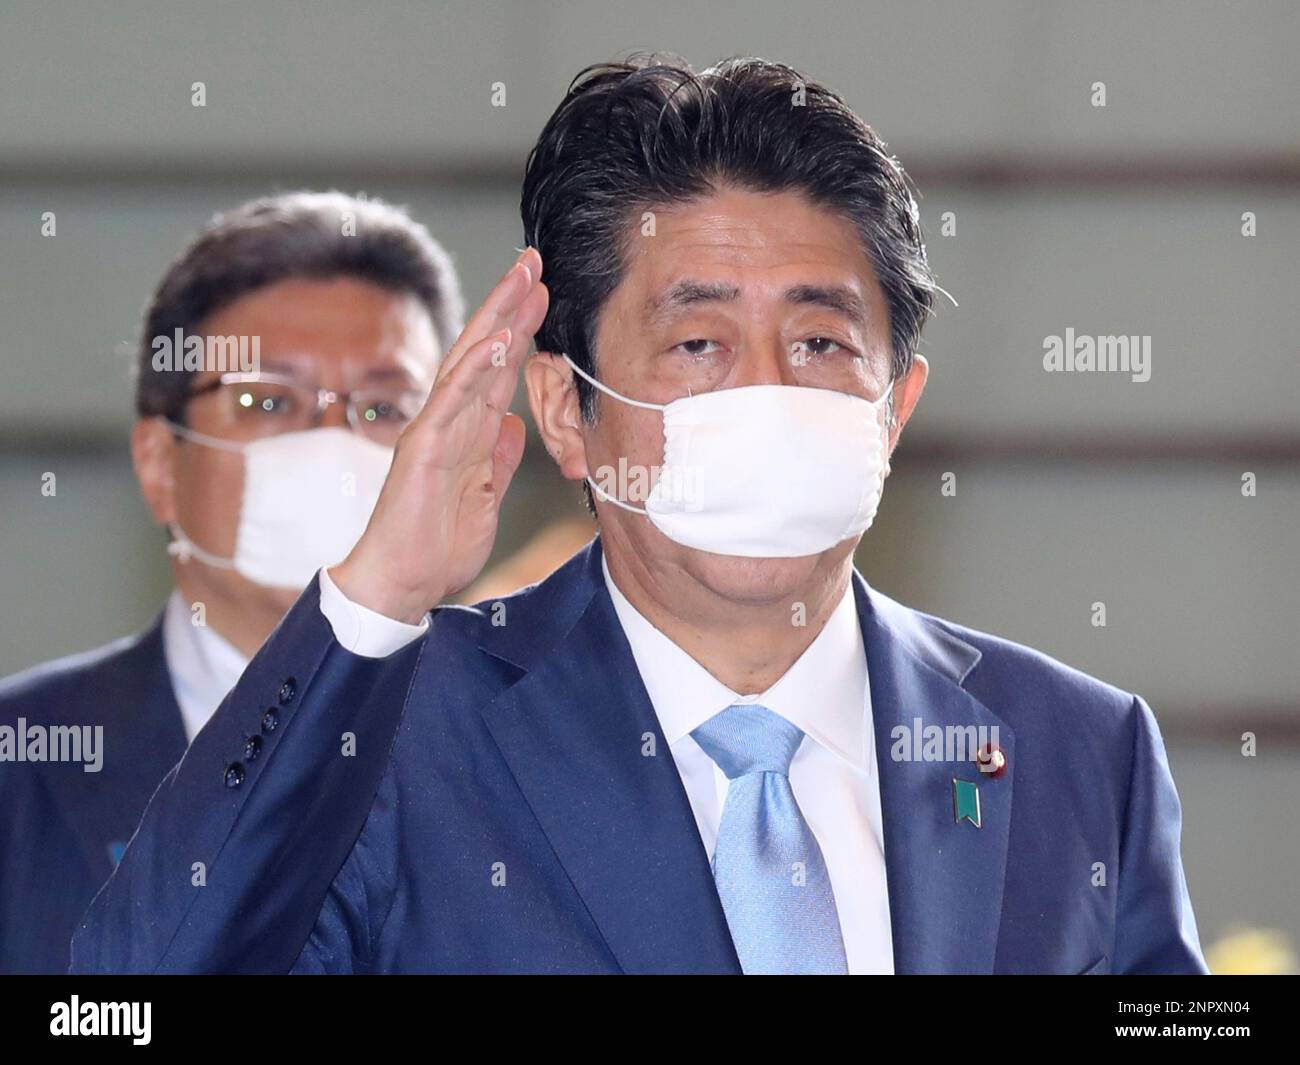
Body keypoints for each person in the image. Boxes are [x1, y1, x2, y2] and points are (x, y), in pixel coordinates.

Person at [73, 58, 1206, 974]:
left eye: (819, 343)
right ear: (566, 409)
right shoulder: (396, 728)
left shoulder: (1075, 749)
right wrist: (373, 596)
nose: (766, 391)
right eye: (697, 345)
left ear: (895, 405)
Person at [0, 191, 462, 973]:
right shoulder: (21, 767)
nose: (333, 443)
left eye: (385, 407)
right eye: (267, 400)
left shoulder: (544, 750)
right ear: (159, 464)